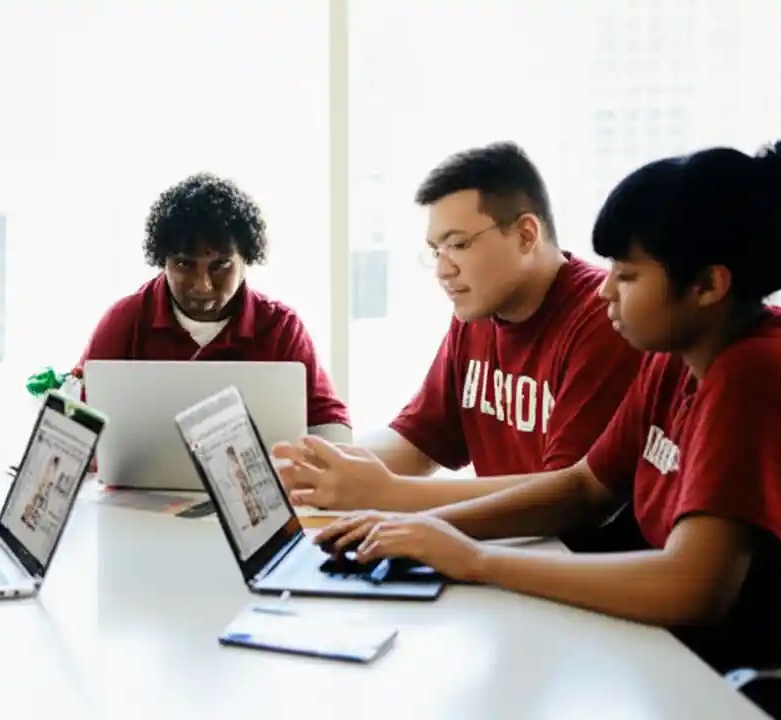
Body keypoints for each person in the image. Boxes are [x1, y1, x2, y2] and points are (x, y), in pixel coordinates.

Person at [313, 139, 781, 671]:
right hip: (683, 658)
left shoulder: (758, 376)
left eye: (628, 276)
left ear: (707, 285)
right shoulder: (675, 356)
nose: (605, 289)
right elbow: (585, 487)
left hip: (768, 684)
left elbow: (694, 586)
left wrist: (474, 559)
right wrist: (428, 530)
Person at [274, 143, 643, 549]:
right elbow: (417, 441)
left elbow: (566, 495)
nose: (442, 269)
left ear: (525, 235)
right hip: (506, 550)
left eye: (458, 245)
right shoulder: (477, 313)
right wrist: (319, 470)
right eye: (436, 250)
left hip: (569, 560)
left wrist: (388, 495)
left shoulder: (604, 318)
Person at [77, 172, 350, 441]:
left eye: (220, 266)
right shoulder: (125, 320)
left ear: (246, 259)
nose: (203, 285)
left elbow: (329, 421)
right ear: (164, 261)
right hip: (130, 487)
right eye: (185, 264)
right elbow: (74, 414)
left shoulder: (281, 328)